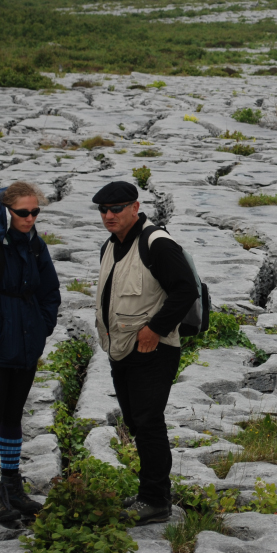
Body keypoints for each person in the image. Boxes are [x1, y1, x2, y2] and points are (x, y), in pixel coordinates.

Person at [92, 181, 199, 525]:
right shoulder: (110, 245)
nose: (109, 215)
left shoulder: (157, 243)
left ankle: (155, 501)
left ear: (135, 208)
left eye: (116, 209)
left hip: (152, 350)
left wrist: (156, 329)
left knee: (149, 422)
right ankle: (150, 492)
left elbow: (186, 290)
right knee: (137, 421)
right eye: (103, 210)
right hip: (121, 349)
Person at [0, 181, 61, 522]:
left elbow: (50, 292)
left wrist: (43, 328)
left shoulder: (36, 245)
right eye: (23, 212)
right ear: (6, 212)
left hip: (26, 347)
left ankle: (12, 486)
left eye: (35, 212)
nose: (30, 218)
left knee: (13, 416)